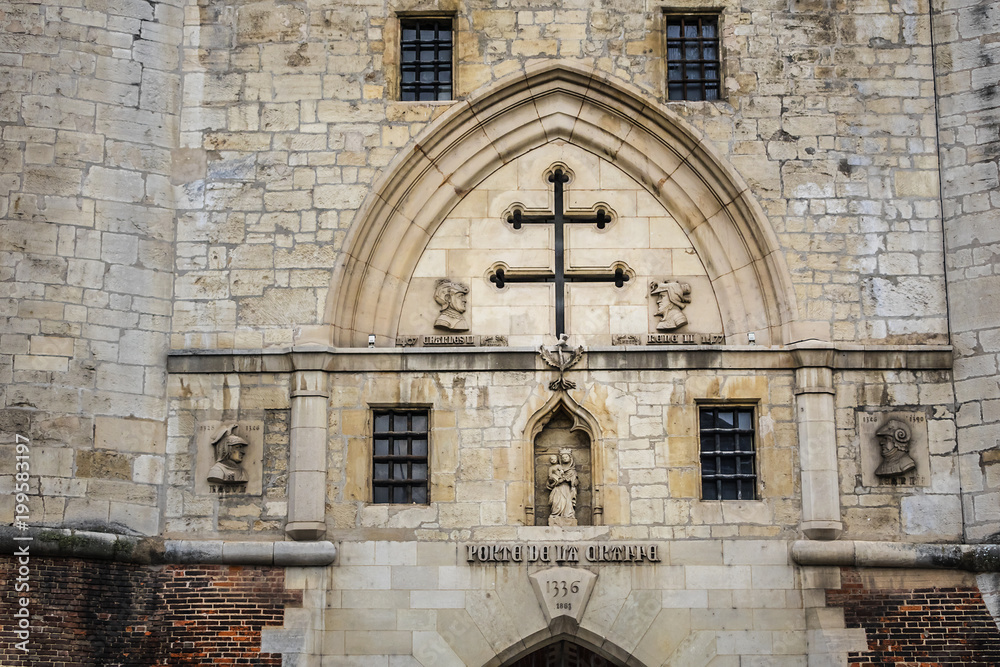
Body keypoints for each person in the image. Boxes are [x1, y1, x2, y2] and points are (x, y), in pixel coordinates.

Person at [547, 449, 578, 521]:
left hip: (566, 488)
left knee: (566, 502)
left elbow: (575, 482)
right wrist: (553, 480)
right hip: (557, 487)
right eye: (563, 457)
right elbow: (549, 480)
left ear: (570, 458)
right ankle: (556, 514)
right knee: (556, 502)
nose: (564, 459)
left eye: (566, 457)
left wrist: (567, 479)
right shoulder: (556, 467)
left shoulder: (572, 470)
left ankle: (567, 515)